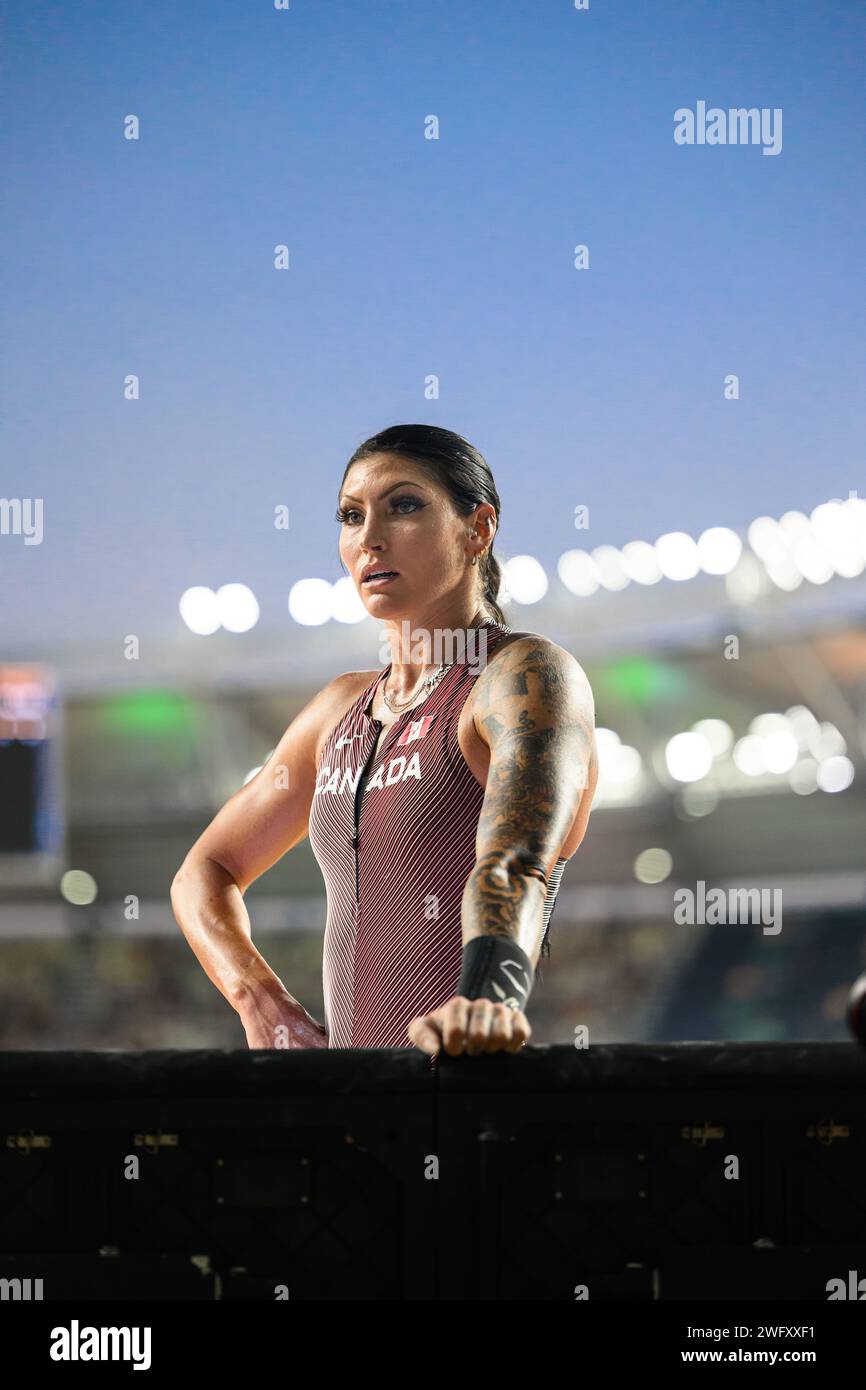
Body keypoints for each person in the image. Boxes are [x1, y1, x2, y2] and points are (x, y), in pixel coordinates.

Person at [171, 424, 597, 1056]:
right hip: (348, 1099)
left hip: (465, 1085)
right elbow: (204, 871)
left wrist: (489, 1000)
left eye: (404, 505)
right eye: (351, 515)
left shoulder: (521, 676)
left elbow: (514, 863)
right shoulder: (337, 710)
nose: (369, 537)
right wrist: (261, 1001)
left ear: (478, 529)